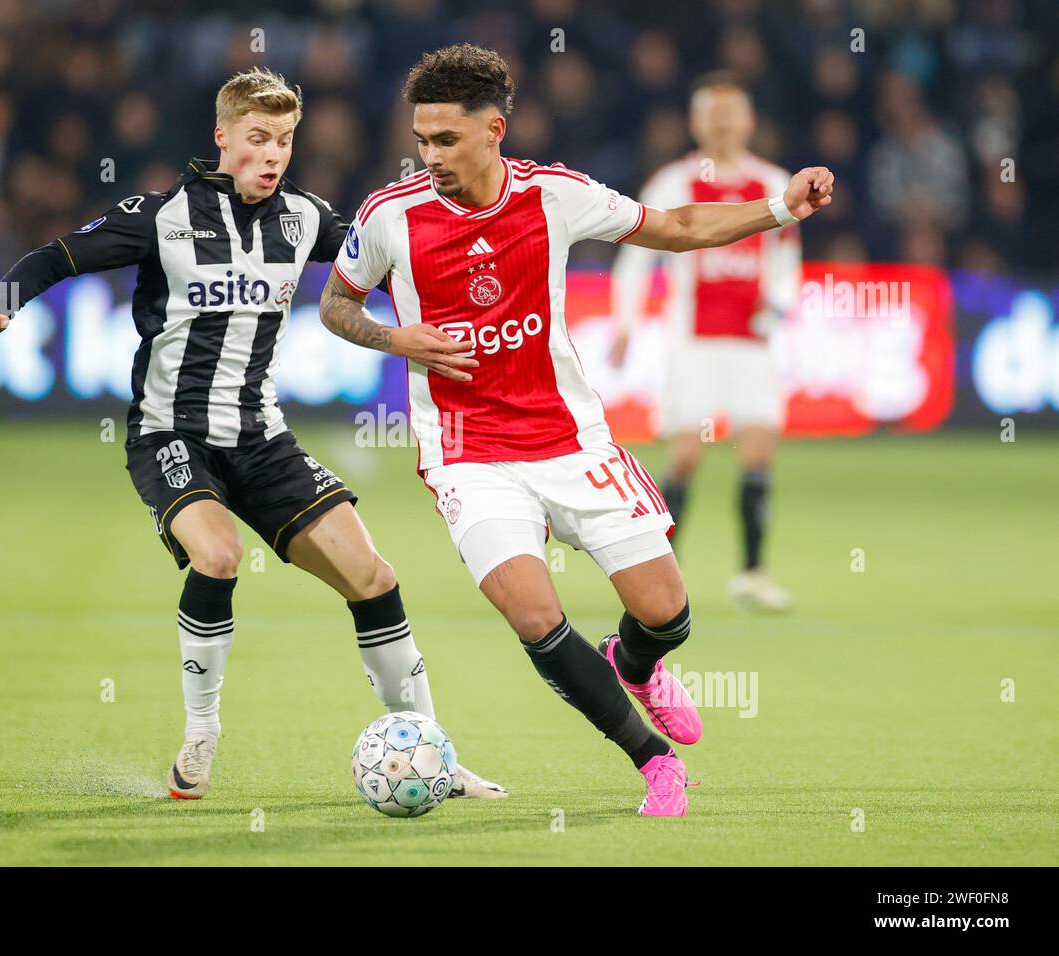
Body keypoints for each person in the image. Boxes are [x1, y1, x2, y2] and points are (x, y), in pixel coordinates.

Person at [0, 67, 505, 802]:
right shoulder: (162, 216)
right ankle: (202, 731)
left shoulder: (306, 219)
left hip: (262, 438)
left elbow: (389, 258)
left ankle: (434, 754)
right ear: (223, 138)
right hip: (170, 434)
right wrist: (2, 305)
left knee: (375, 578)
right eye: (258, 139)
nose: (272, 154)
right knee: (218, 555)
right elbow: (59, 255)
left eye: (284, 139)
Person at [319, 45, 832, 816]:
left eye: (447, 140)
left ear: (494, 130)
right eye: (422, 139)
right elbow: (337, 305)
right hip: (468, 454)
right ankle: (655, 761)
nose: (429, 156)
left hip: (570, 438)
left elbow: (680, 227)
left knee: (667, 611)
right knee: (533, 613)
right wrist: (399, 340)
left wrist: (782, 208)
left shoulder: (554, 196)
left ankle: (634, 662)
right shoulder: (390, 216)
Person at [610, 71, 800, 611]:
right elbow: (634, 256)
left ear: (748, 120)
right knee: (686, 457)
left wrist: (779, 303)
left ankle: (754, 573)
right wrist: (625, 322)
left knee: (759, 448)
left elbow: (786, 258)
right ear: (696, 123)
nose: (721, 125)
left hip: (752, 344)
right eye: (711, 116)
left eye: (730, 114)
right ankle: (663, 578)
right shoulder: (671, 183)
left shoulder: (775, 182)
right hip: (692, 344)